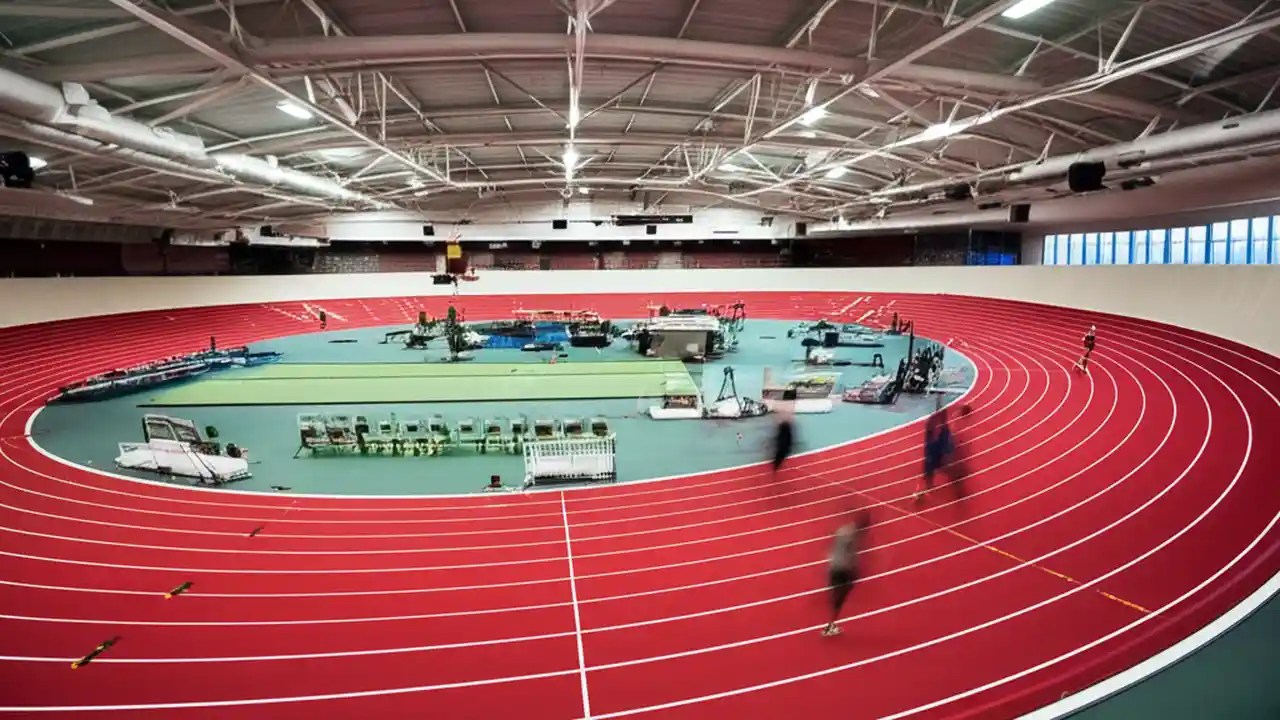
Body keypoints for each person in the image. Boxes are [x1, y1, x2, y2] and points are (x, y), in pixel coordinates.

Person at [822, 510, 870, 637]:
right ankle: (830, 625)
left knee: (838, 590)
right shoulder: (853, 536)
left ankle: (831, 619)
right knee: (841, 595)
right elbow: (850, 555)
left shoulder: (843, 530)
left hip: (834, 564)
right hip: (843, 568)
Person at [771, 389, 796, 475]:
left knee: (785, 445)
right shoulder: (786, 405)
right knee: (784, 446)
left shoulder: (786, 404)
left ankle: (777, 461)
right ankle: (776, 463)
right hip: (784, 427)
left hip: (785, 426)